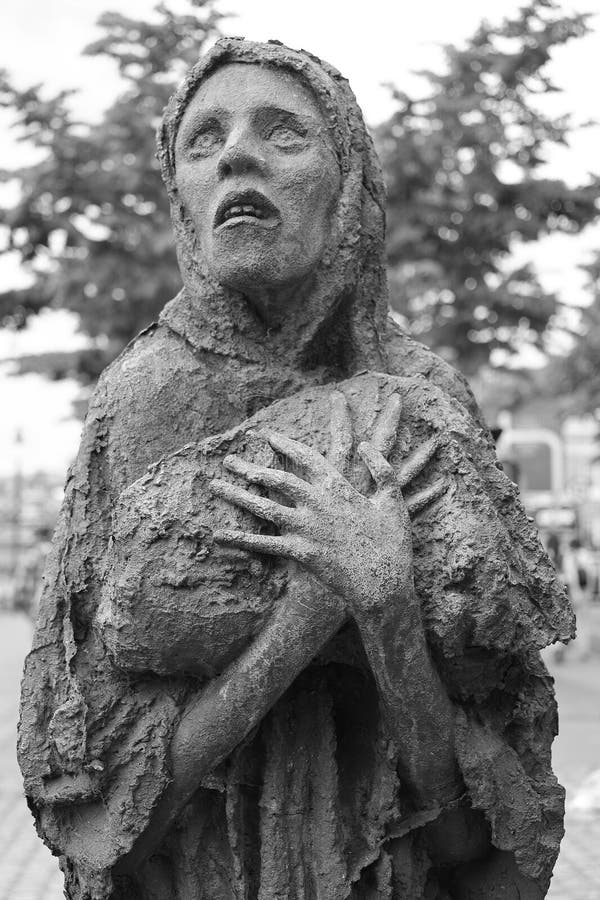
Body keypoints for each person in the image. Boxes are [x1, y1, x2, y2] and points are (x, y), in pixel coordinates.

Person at [18, 39, 574, 900]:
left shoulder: (419, 402)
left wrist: (386, 603)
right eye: (203, 141)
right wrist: (308, 613)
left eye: (283, 132)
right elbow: (107, 824)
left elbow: (475, 837)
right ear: (182, 203)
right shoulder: (143, 403)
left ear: (346, 188)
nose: (237, 153)